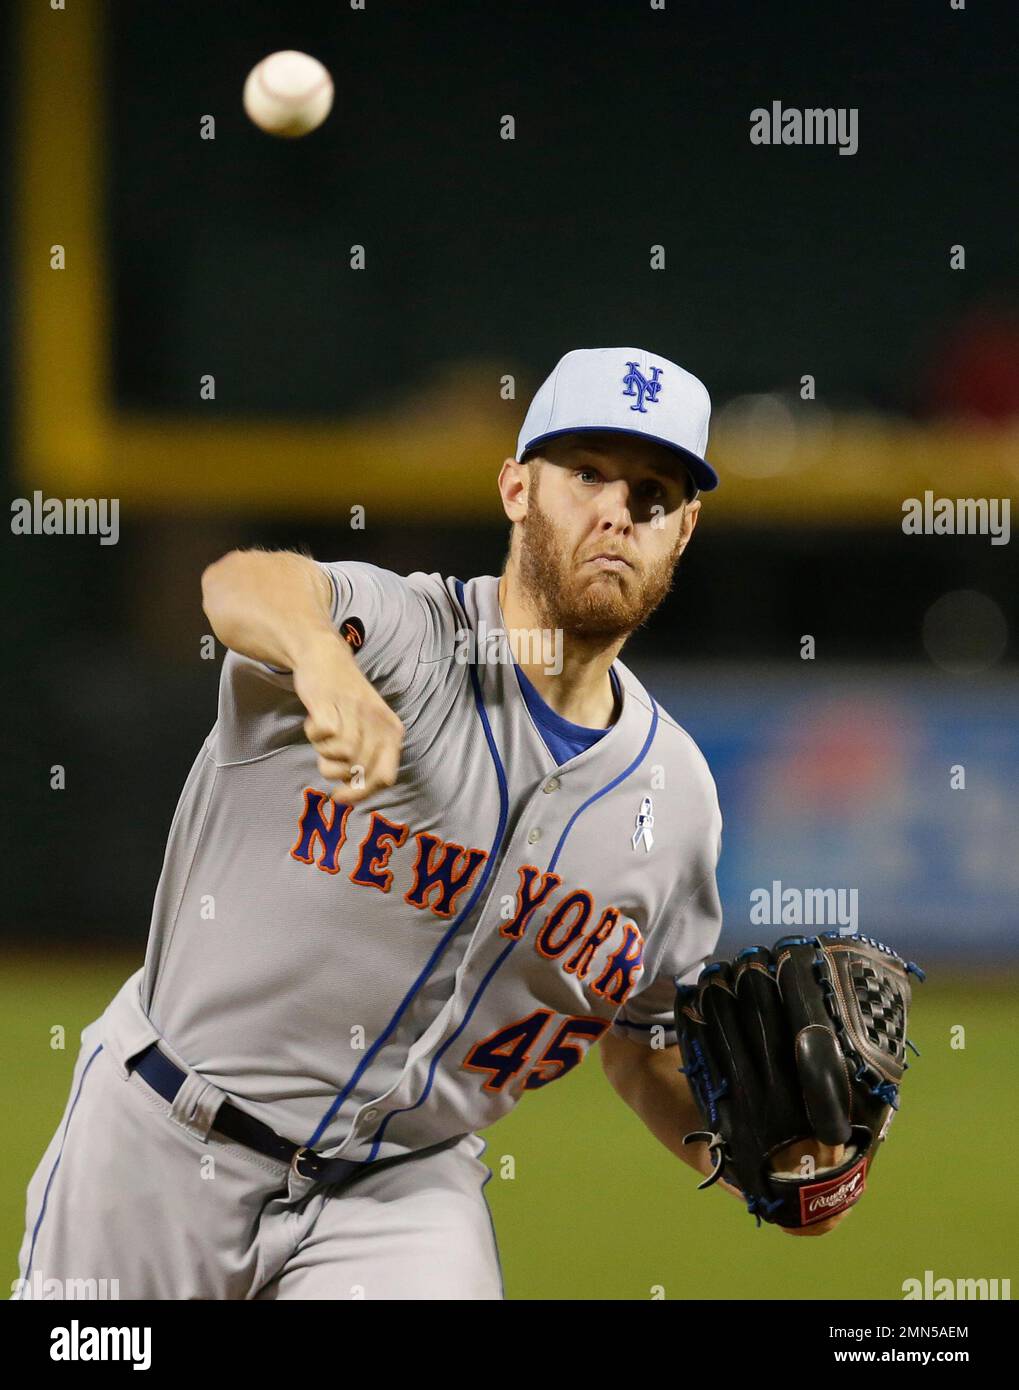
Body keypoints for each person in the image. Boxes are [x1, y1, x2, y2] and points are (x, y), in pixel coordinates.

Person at [15, 347, 842, 1305]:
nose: (617, 510)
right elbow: (245, 584)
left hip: (399, 1193)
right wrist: (322, 662)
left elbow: (647, 1037)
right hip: (162, 1138)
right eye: (586, 474)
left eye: (653, 493)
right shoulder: (406, 637)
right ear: (516, 488)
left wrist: (763, 1158)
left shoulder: (680, 799)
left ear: (683, 531)